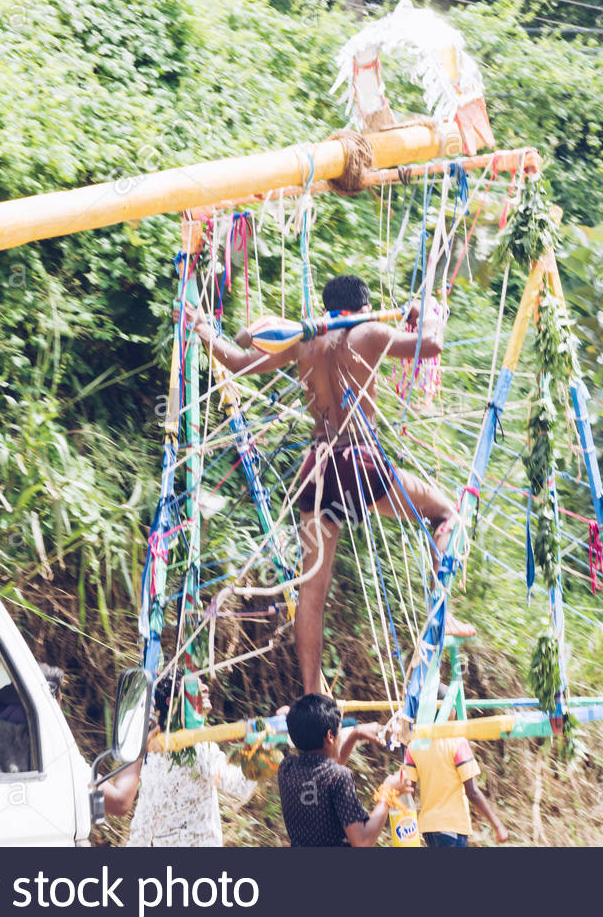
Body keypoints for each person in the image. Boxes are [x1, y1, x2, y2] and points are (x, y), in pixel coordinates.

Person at [189, 275, 474, 696]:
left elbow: (235, 360)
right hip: (359, 460)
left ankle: (310, 696)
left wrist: (204, 329)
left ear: (328, 307)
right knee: (447, 513)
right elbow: (431, 344)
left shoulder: (304, 341)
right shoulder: (369, 331)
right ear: (364, 305)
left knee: (312, 593)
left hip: (317, 469)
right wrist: (429, 313)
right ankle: (442, 612)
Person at [102, 671, 257, 847]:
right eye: (194, 686)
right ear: (172, 702)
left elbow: (143, 822)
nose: (205, 688)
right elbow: (240, 786)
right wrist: (259, 748)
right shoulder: (197, 748)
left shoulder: (152, 751)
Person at [277, 692, 409, 847]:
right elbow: (362, 841)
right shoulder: (338, 776)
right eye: (339, 730)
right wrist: (387, 793)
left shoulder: (286, 768)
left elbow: (327, 768)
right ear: (330, 736)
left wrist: (355, 734)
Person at [402, 688, 509, 847]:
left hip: (428, 829)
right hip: (452, 827)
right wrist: (497, 825)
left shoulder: (415, 744)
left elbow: (408, 790)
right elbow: (472, 792)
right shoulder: (457, 742)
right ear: (449, 710)